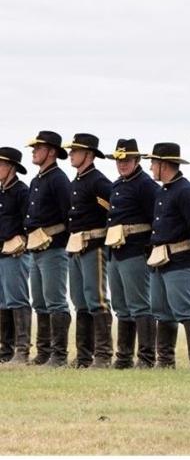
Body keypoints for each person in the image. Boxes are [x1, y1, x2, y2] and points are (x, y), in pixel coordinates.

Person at [144, 143, 190, 368]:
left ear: (163, 164)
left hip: (180, 260)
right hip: (159, 260)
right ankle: (165, 360)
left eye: (153, 163)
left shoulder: (185, 192)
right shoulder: (163, 190)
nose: (151, 167)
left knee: (186, 309)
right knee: (161, 310)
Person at [103, 139, 158, 369]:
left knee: (140, 305)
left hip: (135, 250)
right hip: (115, 251)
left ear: (137, 160)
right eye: (119, 160)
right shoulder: (118, 185)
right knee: (121, 305)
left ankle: (145, 357)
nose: (121, 164)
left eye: (126, 160)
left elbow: (155, 217)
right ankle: (124, 356)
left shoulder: (145, 185)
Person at [64, 133, 114, 368]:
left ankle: (103, 355)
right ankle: (84, 356)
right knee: (80, 300)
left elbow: (115, 210)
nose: (71, 154)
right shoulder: (77, 181)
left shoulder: (97, 181)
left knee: (97, 299)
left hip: (94, 246)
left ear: (89, 154)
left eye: (75, 150)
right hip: (76, 246)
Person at [23, 131, 72, 367]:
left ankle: (58, 355)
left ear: (51, 151)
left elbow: (68, 216)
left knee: (55, 301)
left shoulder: (58, 179)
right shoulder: (37, 180)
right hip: (36, 248)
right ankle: (43, 352)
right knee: (40, 302)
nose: (33, 151)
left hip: (54, 248)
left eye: (38, 148)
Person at [0, 147, 31, 364]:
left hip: (16, 251)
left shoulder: (22, 191)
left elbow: (28, 222)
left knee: (17, 299)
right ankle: (5, 350)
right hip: (1, 251)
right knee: (2, 301)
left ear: (11, 167)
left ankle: (22, 350)